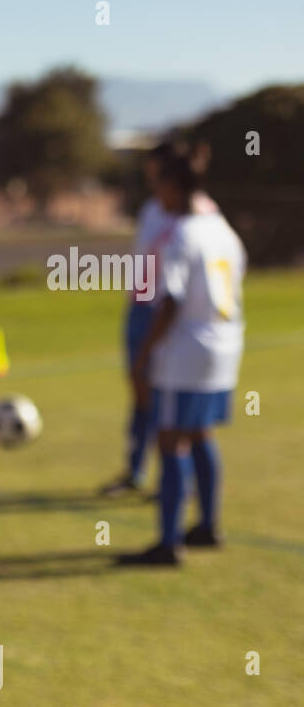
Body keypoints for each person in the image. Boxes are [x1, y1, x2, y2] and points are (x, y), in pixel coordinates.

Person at [119, 143, 243, 566]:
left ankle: (168, 542)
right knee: (201, 433)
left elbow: (168, 301)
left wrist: (144, 356)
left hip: (185, 349)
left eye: (159, 185)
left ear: (172, 185)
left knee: (170, 439)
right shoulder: (223, 228)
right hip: (224, 345)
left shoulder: (179, 233)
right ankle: (208, 524)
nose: (157, 195)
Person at [100, 141, 219, 498]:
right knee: (141, 393)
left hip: (174, 318)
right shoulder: (153, 208)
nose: (152, 180)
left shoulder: (202, 216)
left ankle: (178, 484)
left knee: (178, 412)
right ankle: (137, 470)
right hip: (141, 308)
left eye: (158, 172)